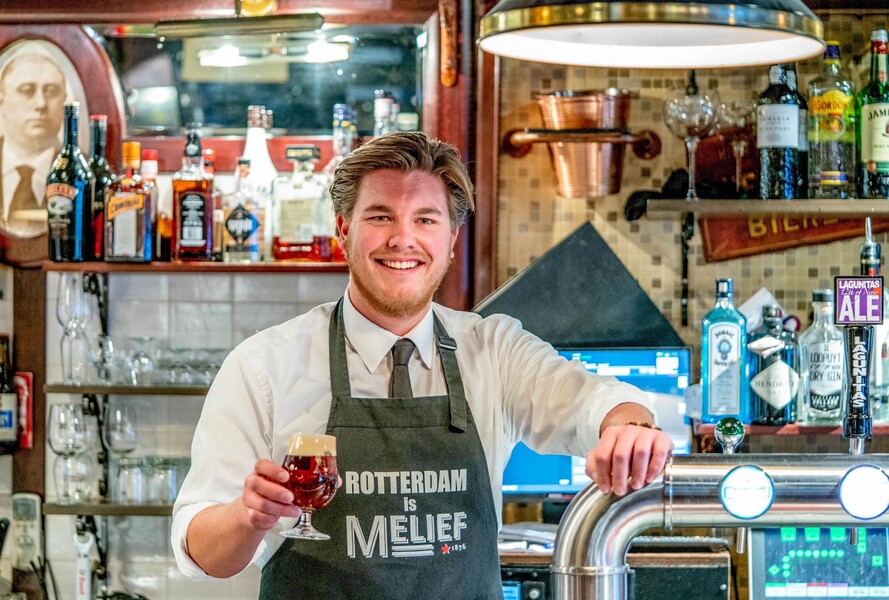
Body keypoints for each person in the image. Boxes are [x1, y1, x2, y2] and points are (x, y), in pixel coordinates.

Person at [171, 131, 673, 598]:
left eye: (425, 220)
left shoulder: (493, 350)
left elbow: (593, 401)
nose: (402, 239)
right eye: (380, 216)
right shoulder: (265, 366)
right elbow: (200, 550)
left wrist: (629, 427)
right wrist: (248, 516)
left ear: (452, 241)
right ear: (344, 230)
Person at [0, 52, 66, 237]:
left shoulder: (81, 173)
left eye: (52, 91)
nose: (41, 104)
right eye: (27, 90)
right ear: (1, 100)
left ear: (64, 101)